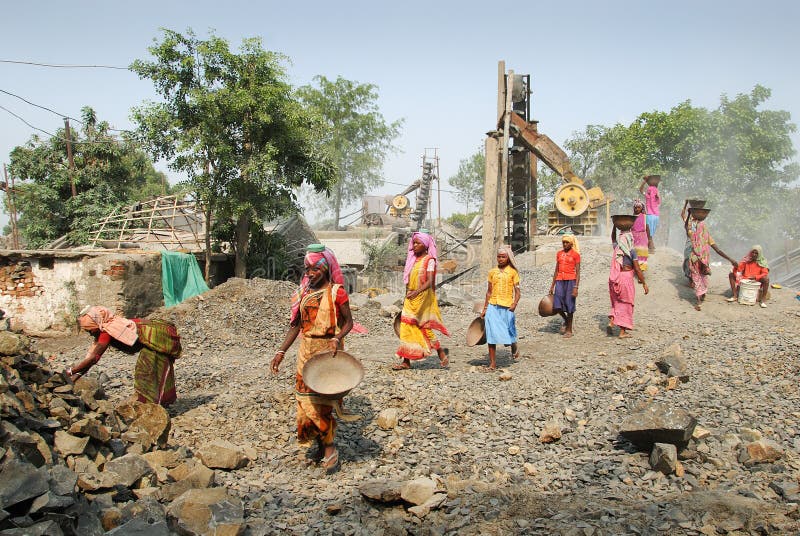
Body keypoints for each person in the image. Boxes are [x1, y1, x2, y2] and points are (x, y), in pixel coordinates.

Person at [271, 244, 354, 474]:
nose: (309, 273)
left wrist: (337, 337)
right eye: (307, 269)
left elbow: (349, 322)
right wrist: (281, 352)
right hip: (306, 351)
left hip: (327, 352)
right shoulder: (303, 293)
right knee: (305, 402)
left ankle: (330, 449)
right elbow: (296, 325)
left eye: (314, 269)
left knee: (323, 404)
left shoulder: (337, 292)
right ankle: (320, 445)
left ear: (325, 268)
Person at [68, 306, 182, 406]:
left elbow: (93, 358)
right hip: (154, 338)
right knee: (155, 370)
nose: (89, 333)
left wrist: (70, 372)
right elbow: (92, 359)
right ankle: (156, 403)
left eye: (89, 329)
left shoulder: (107, 331)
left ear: (95, 324)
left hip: (157, 338)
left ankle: (148, 406)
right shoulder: (107, 329)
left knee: (146, 371)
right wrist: (73, 377)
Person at [394, 232, 450, 370]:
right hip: (410, 296)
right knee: (406, 327)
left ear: (425, 246)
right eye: (414, 243)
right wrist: (408, 293)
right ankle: (406, 361)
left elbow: (430, 281)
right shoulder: (413, 260)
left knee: (422, 326)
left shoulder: (429, 260)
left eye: (418, 243)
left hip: (422, 296)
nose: (414, 246)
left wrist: (417, 292)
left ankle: (439, 350)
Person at [684, 211, 737, 311]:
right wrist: (730, 259)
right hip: (702, 261)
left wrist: (689, 215)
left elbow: (686, 227)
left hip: (696, 260)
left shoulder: (693, 236)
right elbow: (718, 250)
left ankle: (701, 296)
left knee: (698, 278)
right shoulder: (707, 237)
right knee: (701, 278)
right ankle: (699, 301)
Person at [480, 245, 520, 370]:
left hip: (507, 306)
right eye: (499, 257)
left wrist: (514, 304)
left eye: (503, 257)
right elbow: (489, 291)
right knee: (491, 333)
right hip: (493, 305)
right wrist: (485, 308)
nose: (501, 259)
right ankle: (492, 363)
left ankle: (514, 345)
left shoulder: (513, 272)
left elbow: (518, 292)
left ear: (508, 258)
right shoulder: (492, 272)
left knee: (509, 330)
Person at [608, 225, 649, 338]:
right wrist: (644, 283)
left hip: (615, 277)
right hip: (625, 279)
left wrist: (614, 226)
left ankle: (611, 322)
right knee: (626, 303)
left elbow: (613, 239)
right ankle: (622, 332)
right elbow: (637, 268)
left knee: (616, 301)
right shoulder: (631, 252)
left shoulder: (618, 249)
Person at [549, 234, 580, 338]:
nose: (565, 244)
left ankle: (569, 330)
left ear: (571, 244)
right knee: (557, 305)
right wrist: (552, 286)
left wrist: (576, 287)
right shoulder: (559, 254)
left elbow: (578, 272)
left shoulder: (576, 255)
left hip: (571, 281)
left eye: (567, 243)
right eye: (563, 242)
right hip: (559, 281)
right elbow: (556, 270)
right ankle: (567, 321)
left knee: (569, 304)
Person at [639, 175, 661, 251]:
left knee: (648, 234)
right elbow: (658, 198)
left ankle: (651, 248)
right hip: (656, 216)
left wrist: (645, 181)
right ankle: (651, 247)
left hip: (650, 216)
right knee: (650, 234)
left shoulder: (648, 195)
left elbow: (641, 190)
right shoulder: (657, 196)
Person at [680, 200, 697, 283]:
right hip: (689, 243)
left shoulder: (698, 222)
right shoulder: (688, 221)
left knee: (695, 261)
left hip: (697, 243)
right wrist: (686, 204)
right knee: (687, 259)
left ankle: (695, 279)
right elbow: (682, 215)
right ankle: (690, 278)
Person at [631, 200, 651, 271]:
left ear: (642, 208)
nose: (637, 209)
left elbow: (647, 227)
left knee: (642, 253)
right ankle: (635, 269)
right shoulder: (631, 217)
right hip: (634, 237)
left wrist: (649, 239)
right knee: (634, 253)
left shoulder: (645, 216)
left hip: (643, 237)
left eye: (639, 207)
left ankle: (641, 270)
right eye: (635, 207)